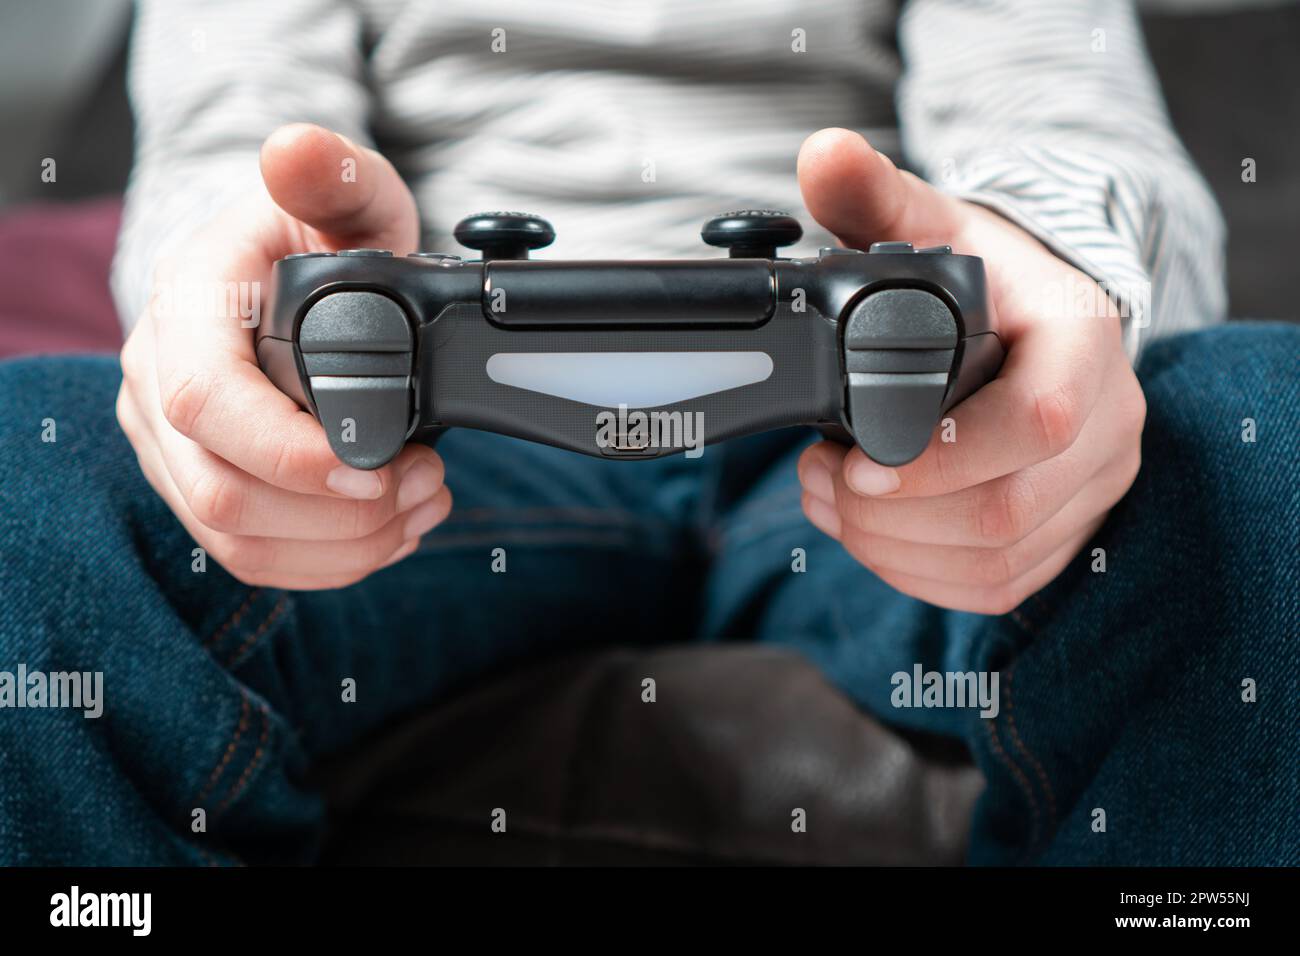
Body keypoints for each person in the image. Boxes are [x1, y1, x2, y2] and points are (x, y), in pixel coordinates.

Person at [0, 0, 1294, 865]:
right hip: (420, 424)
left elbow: (1053, 116)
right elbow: (231, 145)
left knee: (1258, 436)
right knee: (26, 471)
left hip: (879, 414)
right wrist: (240, 303)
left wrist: (1031, 284)